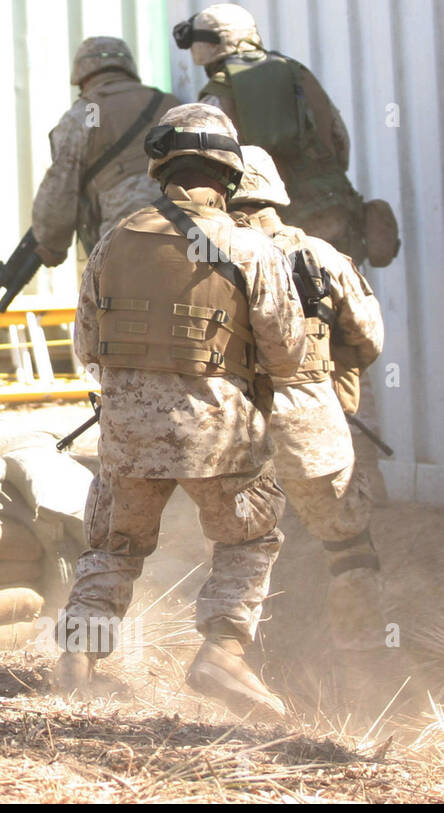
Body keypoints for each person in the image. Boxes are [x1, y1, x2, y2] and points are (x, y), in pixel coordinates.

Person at [55, 103, 307, 720]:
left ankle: (75, 664)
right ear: (230, 172)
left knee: (114, 544)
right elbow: (287, 351)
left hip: (127, 432)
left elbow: (87, 345)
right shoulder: (249, 248)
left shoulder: (114, 239)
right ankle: (223, 650)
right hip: (220, 432)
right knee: (249, 538)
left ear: (160, 164)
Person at [227, 145, 391, 699]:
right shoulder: (317, 254)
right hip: (310, 422)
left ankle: (233, 661)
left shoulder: (200, 254)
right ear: (275, 191)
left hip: (229, 426)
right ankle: (367, 672)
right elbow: (367, 338)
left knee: (237, 546)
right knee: (347, 546)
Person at [175, 3, 399, 271]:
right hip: (337, 215)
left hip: (273, 233)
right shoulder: (298, 74)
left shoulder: (218, 94)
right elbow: (340, 140)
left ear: (204, 48)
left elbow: (207, 170)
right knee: (344, 304)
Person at [30, 37, 180, 266]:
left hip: (126, 237)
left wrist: (51, 244)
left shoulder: (83, 114)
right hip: (187, 231)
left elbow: (60, 186)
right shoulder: (171, 104)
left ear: (81, 75)